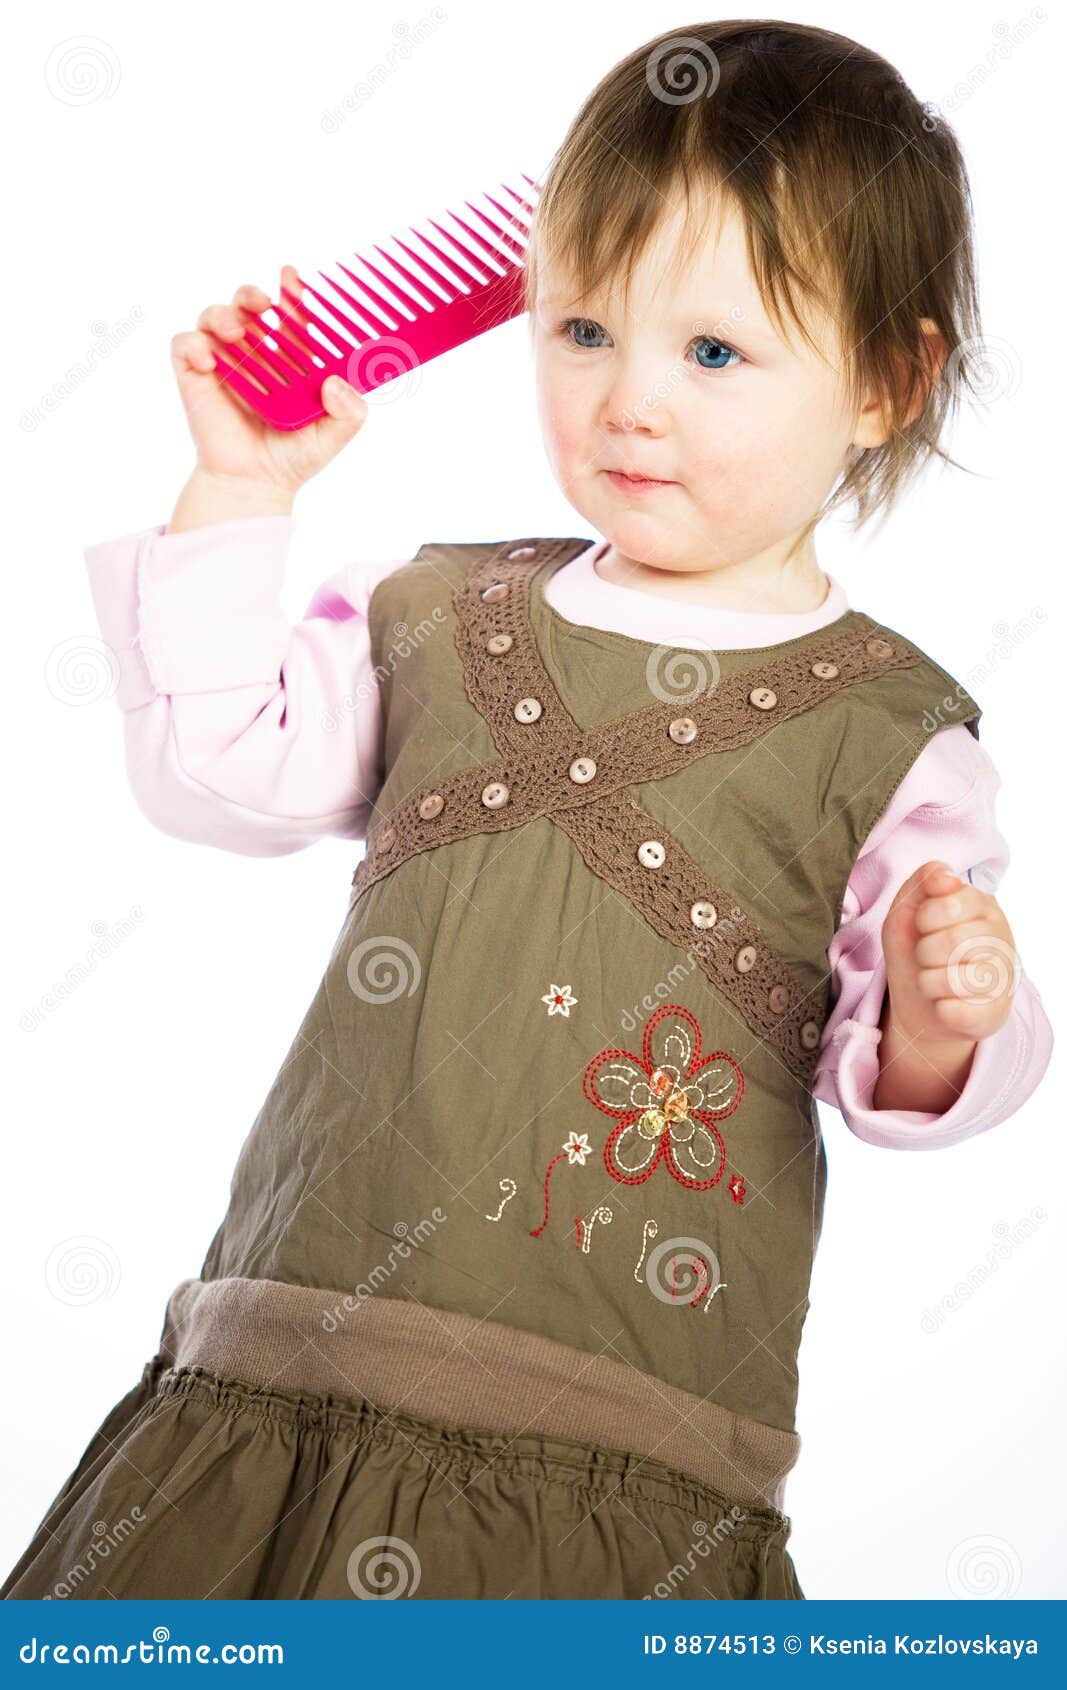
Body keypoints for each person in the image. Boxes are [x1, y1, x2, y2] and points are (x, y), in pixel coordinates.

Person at [3, 18, 1052, 1601]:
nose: (627, 402)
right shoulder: (434, 613)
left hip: (623, 1465)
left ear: (884, 383)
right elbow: (212, 769)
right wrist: (244, 491)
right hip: (286, 1374)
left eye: (712, 354)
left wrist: (947, 1011)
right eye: (581, 330)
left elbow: (892, 1074)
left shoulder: (887, 735)